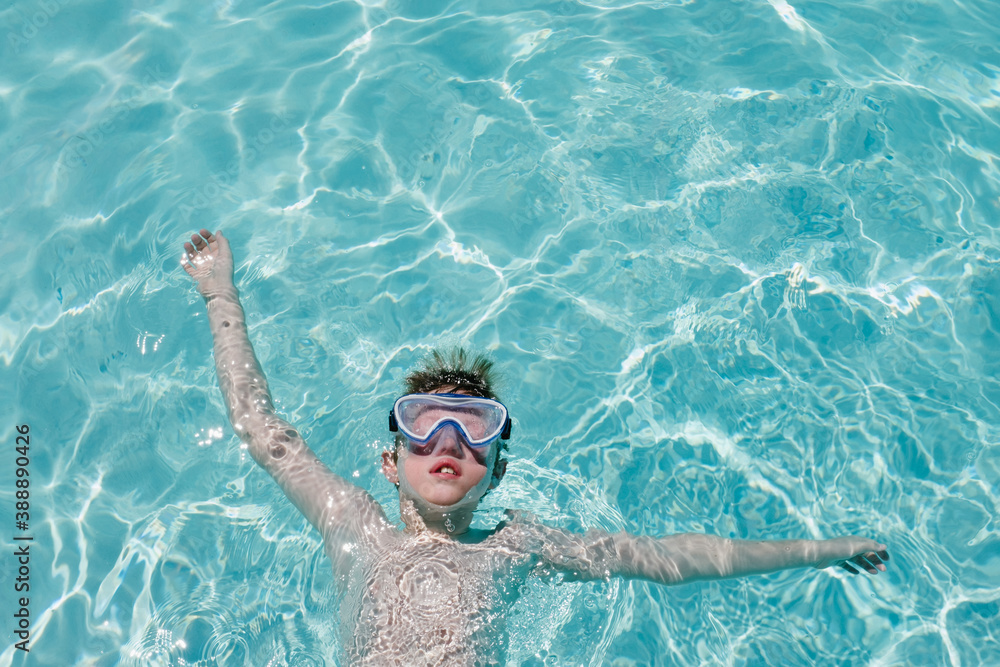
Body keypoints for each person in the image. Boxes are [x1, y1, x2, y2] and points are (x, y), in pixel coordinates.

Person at [182, 228, 890, 666]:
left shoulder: (514, 546)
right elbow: (264, 433)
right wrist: (221, 297)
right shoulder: (352, 522)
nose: (449, 438)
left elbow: (667, 560)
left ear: (497, 472)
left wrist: (823, 549)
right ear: (390, 462)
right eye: (425, 422)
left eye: (475, 426)